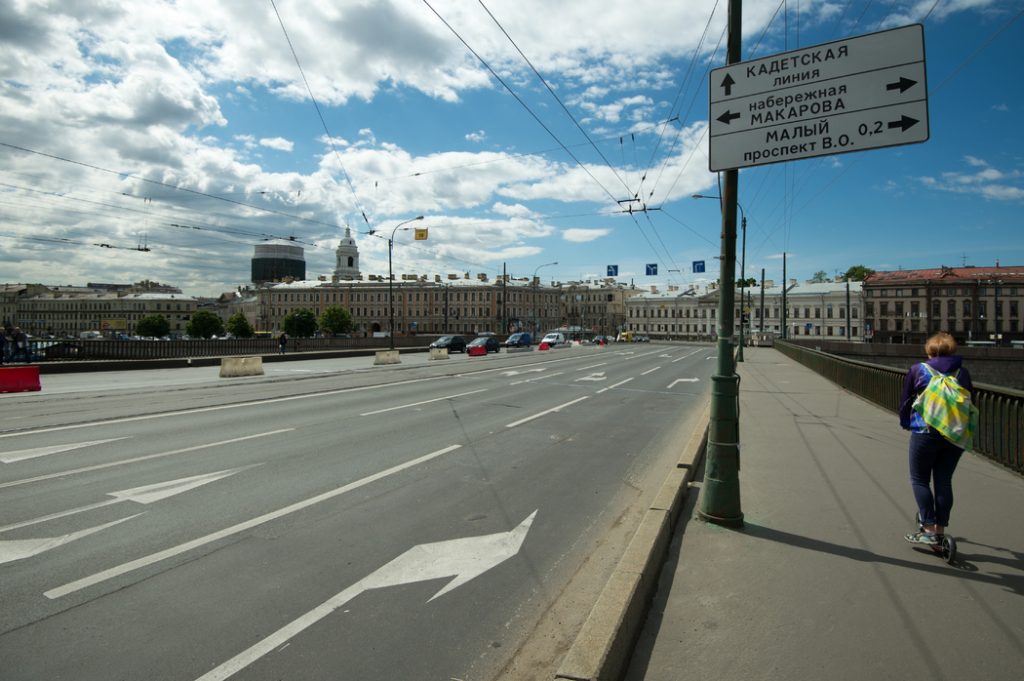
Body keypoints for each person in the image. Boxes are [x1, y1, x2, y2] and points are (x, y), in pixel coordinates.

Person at [898, 332, 974, 546]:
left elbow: (906, 401)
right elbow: (970, 400)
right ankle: (940, 529)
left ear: (930, 351)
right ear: (952, 350)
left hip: (925, 431)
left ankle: (928, 528)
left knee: (920, 479)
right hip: (954, 434)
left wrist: (906, 422)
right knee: (943, 480)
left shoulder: (918, 370)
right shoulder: (962, 372)